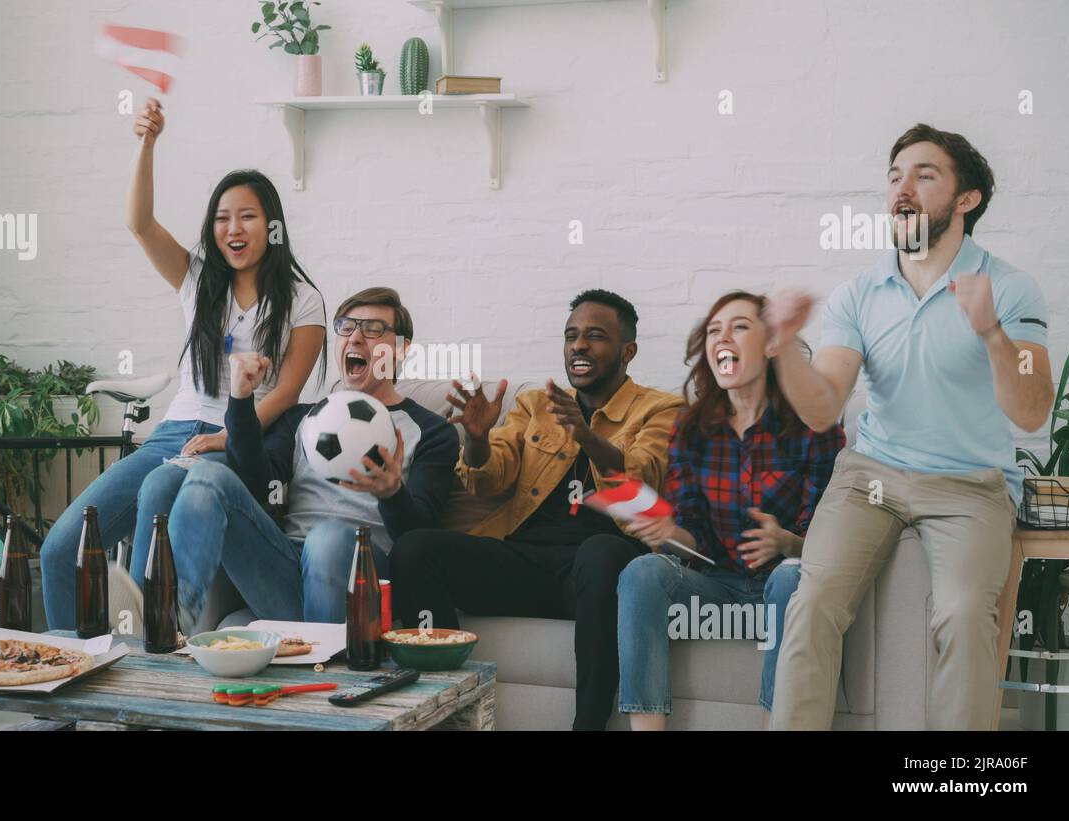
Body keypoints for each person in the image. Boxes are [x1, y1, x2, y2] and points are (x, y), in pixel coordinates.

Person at [765, 124, 1053, 730]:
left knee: (963, 614)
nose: (903, 188)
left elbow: (1031, 410)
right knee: (812, 599)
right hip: (872, 475)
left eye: (925, 175)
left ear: (966, 199)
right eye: (896, 176)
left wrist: (991, 333)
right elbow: (823, 408)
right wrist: (785, 345)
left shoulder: (1010, 288)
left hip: (969, 485)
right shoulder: (859, 293)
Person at [40, 98, 326, 630]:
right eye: (221, 218)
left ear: (272, 226)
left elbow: (285, 393)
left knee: (159, 491)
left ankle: (156, 634)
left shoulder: (303, 301)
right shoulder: (197, 281)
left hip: (238, 442)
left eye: (247, 216)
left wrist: (224, 435)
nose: (232, 228)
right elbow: (140, 222)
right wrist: (146, 143)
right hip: (172, 435)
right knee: (63, 549)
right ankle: (66, 697)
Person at [392, 289, 685, 730]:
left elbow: (644, 484)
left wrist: (586, 436)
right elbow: (491, 478)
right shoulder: (535, 405)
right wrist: (474, 438)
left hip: (600, 572)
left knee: (601, 552)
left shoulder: (661, 409)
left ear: (628, 351)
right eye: (571, 336)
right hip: (526, 562)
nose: (579, 346)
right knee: (414, 550)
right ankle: (449, 712)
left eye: (595, 336)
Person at [160, 288, 458, 628]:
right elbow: (256, 481)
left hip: (362, 577)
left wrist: (392, 494)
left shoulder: (432, 432)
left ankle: (326, 662)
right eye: (346, 327)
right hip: (285, 569)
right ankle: (173, 616)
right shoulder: (301, 418)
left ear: (402, 350)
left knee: (329, 537)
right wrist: (241, 401)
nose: (356, 337)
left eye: (373, 329)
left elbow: (420, 539)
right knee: (208, 476)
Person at [614, 291, 845, 730]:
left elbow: (838, 538)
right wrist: (667, 532)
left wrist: (787, 541)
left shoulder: (813, 425)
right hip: (715, 590)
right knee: (643, 571)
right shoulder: (693, 427)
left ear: (771, 344)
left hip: (784, 591)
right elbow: (693, 538)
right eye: (714, 330)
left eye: (740, 327)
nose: (723, 337)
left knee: (791, 574)